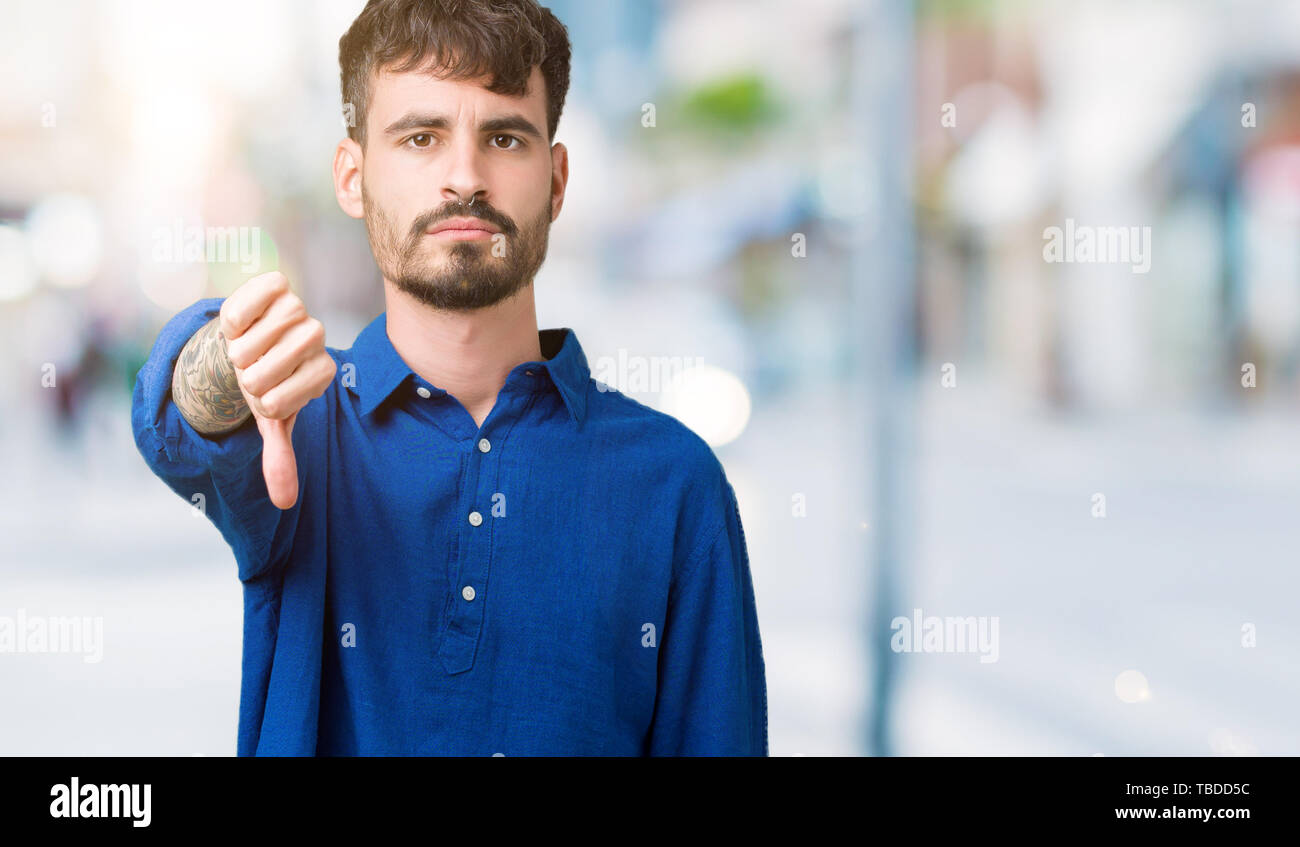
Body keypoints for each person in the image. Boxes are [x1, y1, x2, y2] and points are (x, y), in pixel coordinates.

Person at [131, 0, 767, 756]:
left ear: (558, 181)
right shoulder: (300, 428)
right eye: (421, 137)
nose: (464, 176)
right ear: (353, 175)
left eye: (503, 136)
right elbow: (176, 430)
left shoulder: (677, 482)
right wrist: (233, 362)